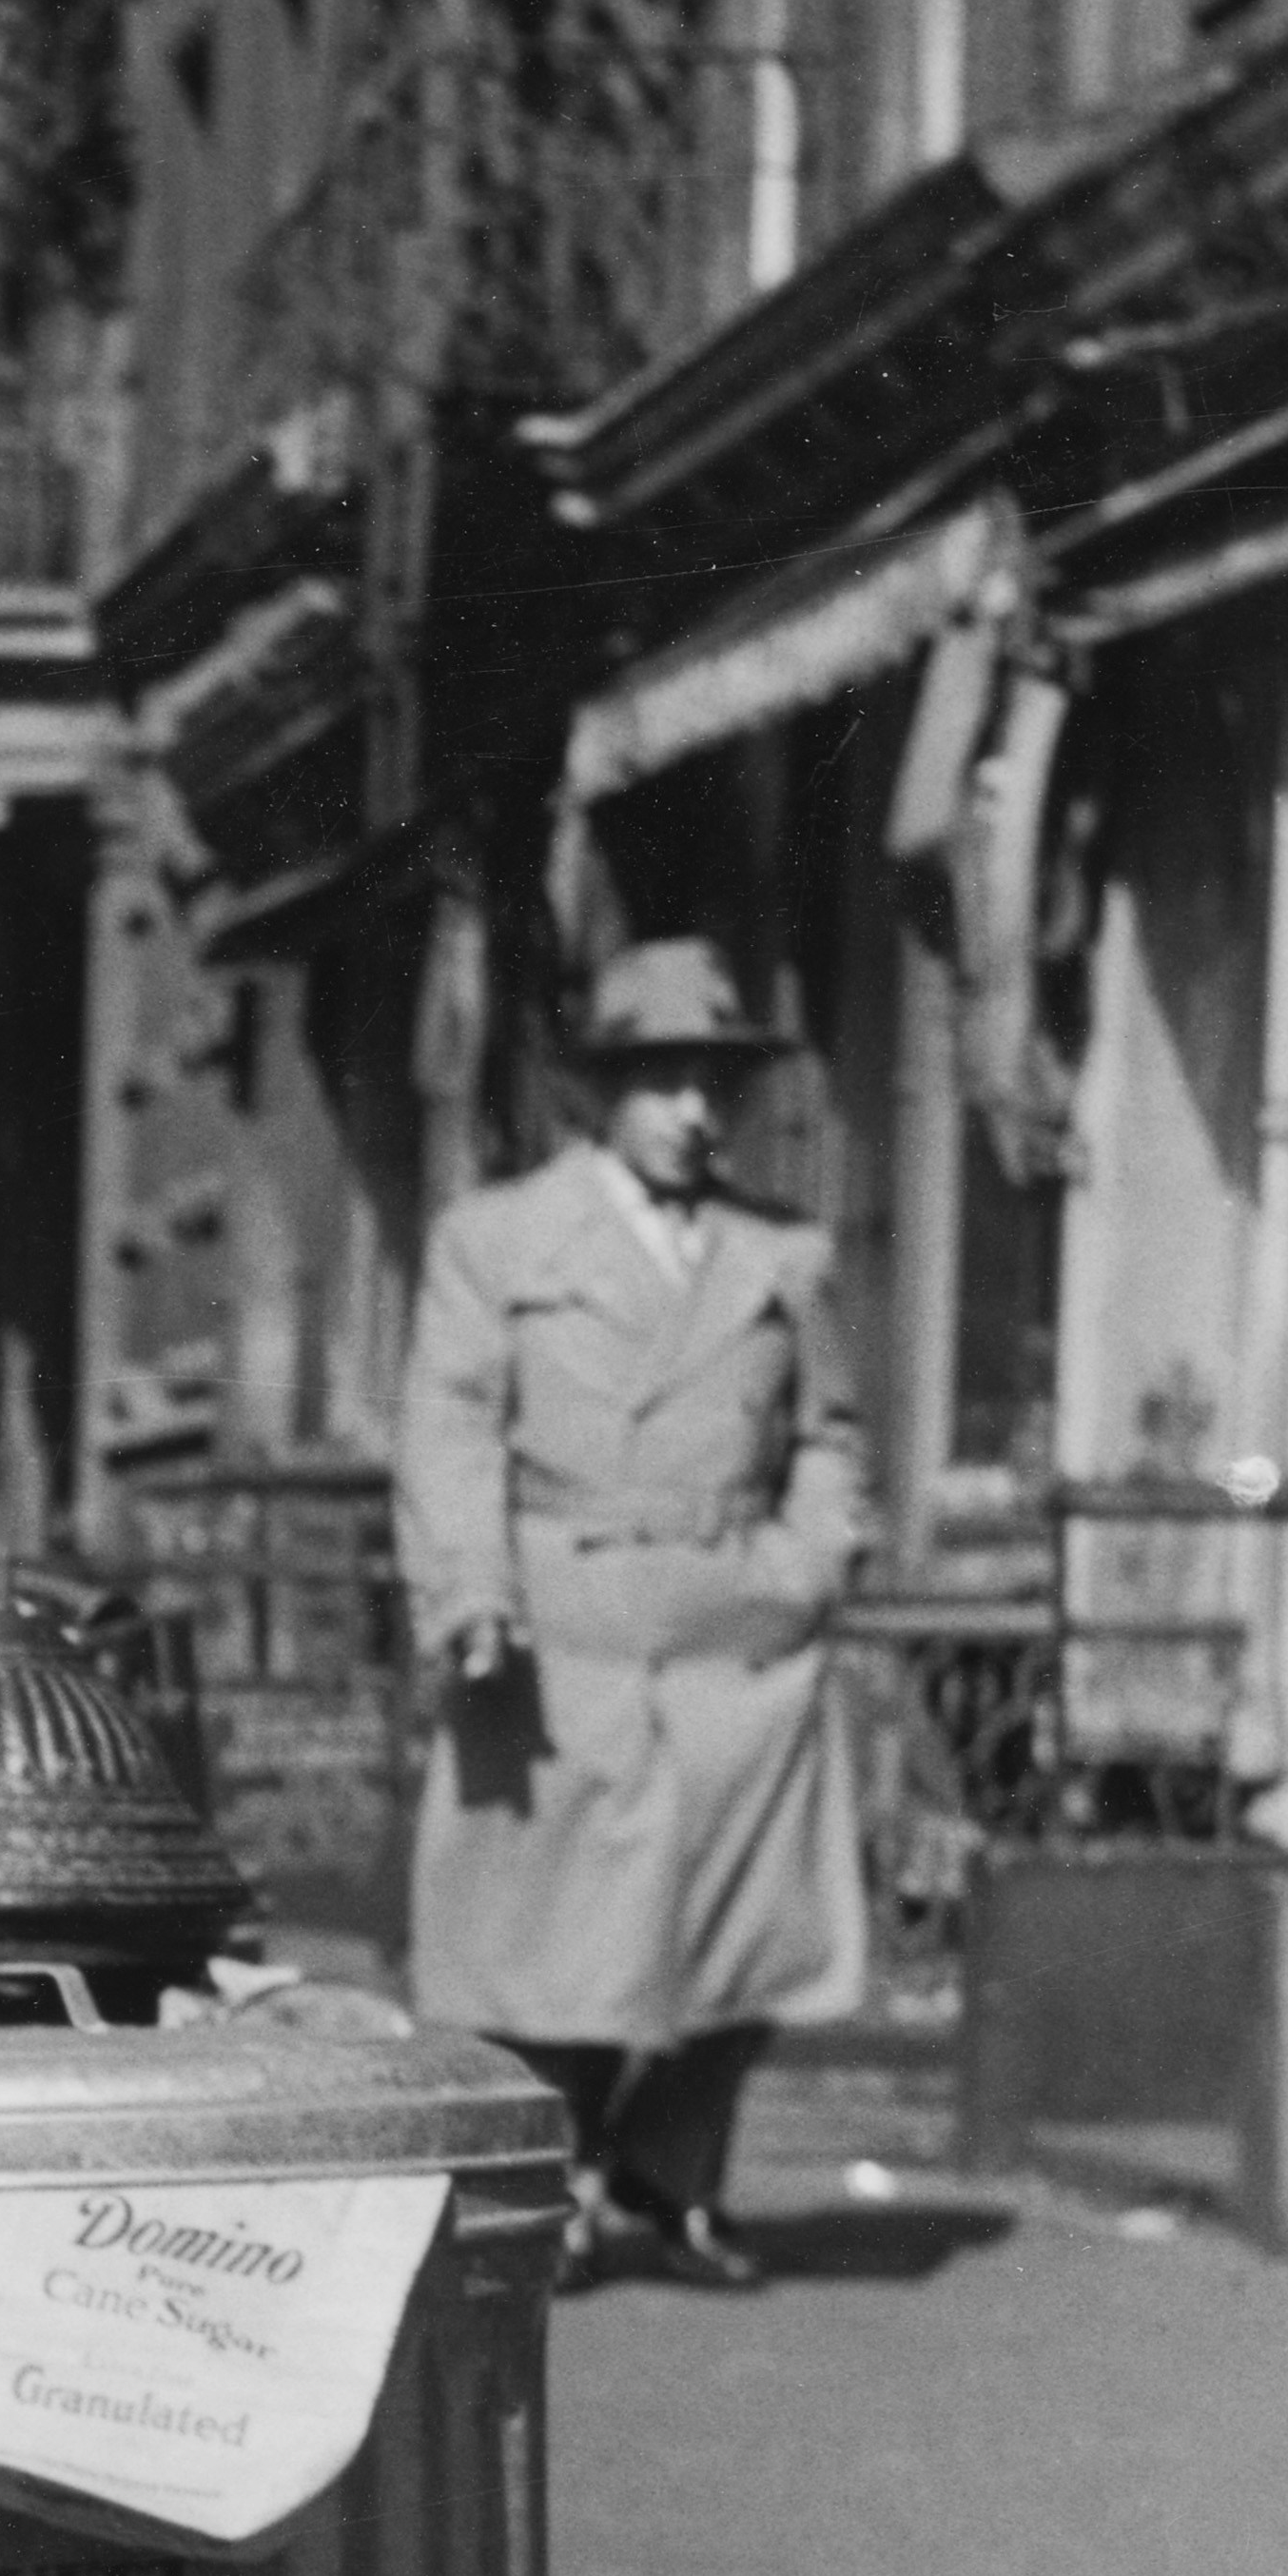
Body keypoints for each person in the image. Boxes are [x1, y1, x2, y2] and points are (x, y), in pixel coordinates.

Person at [390, 937, 871, 2286]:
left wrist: (805, 1561)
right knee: (552, 1941)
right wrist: (470, 1592)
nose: (695, 1112)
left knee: (743, 1932)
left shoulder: (782, 1251)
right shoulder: (497, 1240)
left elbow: (830, 1431)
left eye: (714, 1082)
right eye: (661, 1082)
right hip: (564, 1629)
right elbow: (449, 1431)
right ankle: (558, 2186)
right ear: (597, 1094)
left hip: (736, 1631)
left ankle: (672, 2180)